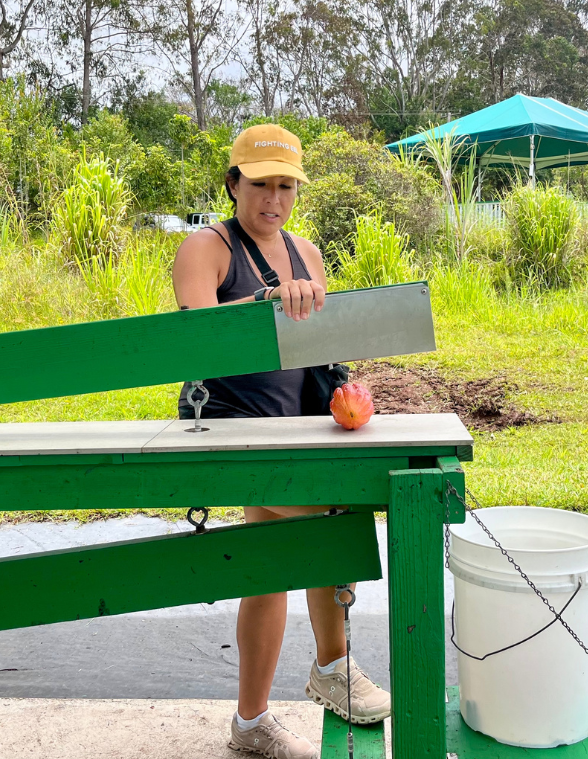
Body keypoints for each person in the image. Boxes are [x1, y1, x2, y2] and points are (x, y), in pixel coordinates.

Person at [171, 124, 391, 759]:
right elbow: (195, 339)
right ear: (233, 183)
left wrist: (345, 397)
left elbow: (318, 350)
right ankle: (332, 666)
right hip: (228, 430)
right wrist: (263, 302)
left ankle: (251, 724)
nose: (274, 198)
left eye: (286, 186)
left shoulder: (306, 252)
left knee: (268, 566)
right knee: (332, 523)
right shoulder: (207, 248)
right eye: (261, 184)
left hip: (292, 429)